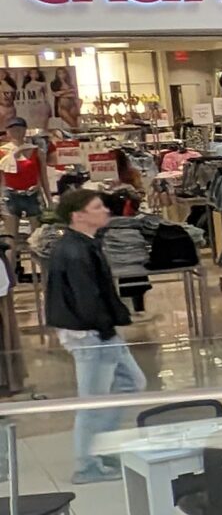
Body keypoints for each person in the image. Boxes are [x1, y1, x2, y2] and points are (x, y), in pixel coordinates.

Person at [47, 187, 144, 482]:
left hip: (100, 331)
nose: (105, 211)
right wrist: (104, 326)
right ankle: (87, 465)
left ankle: (102, 447)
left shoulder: (84, 245)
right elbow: (87, 297)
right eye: (97, 207)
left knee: (131, 382)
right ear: (79, 216)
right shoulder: (76, 251)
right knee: (92, 401)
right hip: (90, 335)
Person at [1, 120, 48, 224]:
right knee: (11, 236)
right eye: (12, 129)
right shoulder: (2, 151)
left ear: (25, 130)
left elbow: (44, 176)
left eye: (20, 129)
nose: (16, 132)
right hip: (10, 194)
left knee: (37, 234)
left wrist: (49, 199)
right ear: (7, 132)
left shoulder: (36, 151)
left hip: (32, 193)